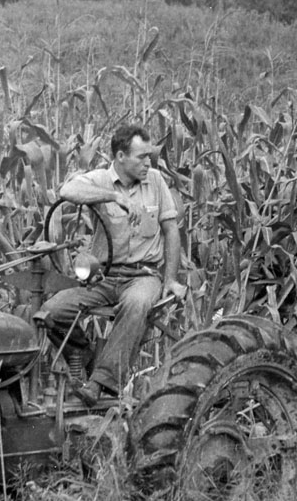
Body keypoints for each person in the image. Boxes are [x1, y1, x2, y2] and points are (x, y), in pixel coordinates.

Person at [36, 123, 186, 405]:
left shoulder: (155, 181)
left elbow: (171, 230)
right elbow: (68, 190)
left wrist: (171, 280)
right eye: (141, 157)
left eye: (149, 156)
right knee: (52, 311)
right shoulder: (100, 180)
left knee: (137, 304)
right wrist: (113, 197)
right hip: (102, 278)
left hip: (143, 276)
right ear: (120, 157)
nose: (148, 162)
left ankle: (101, 384)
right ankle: (85, 356)